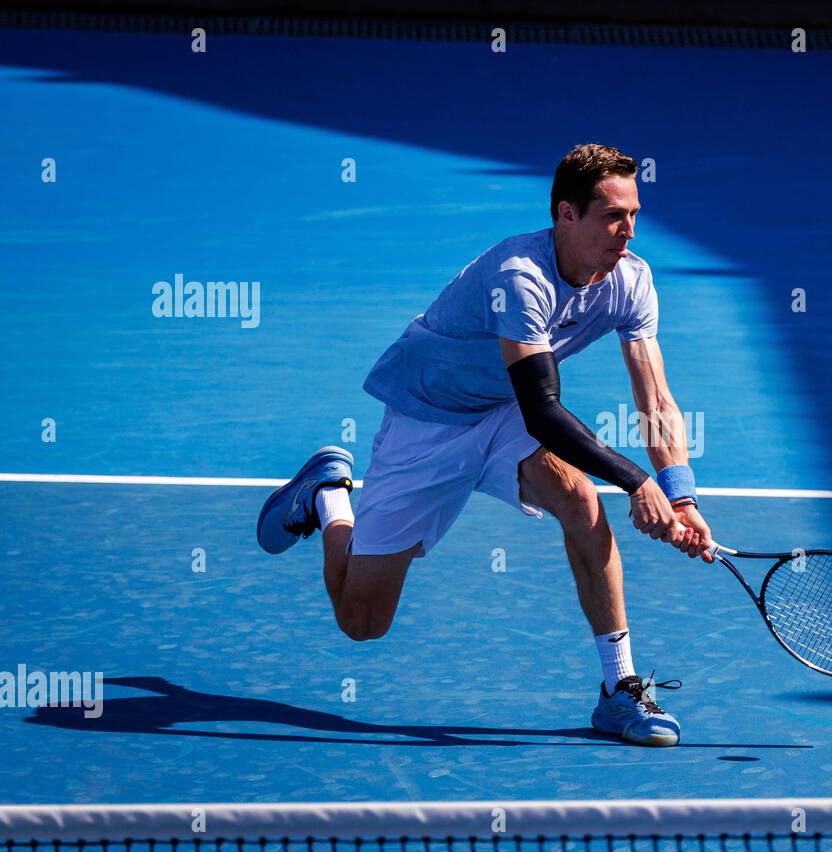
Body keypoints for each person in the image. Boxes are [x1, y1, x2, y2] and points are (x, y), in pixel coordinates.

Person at [257, 144, 711, 747]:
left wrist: (680, 495)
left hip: (503, 410)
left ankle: (619, 689)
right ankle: (328, 500)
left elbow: (654, 398)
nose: (627, 230)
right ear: (565, 214)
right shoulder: (519, 277)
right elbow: (545, 413)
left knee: (581, 504)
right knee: (362, 622)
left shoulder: (632, 280)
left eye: (633, 214)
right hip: (431, 417)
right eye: (611, 215)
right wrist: (638, 481)